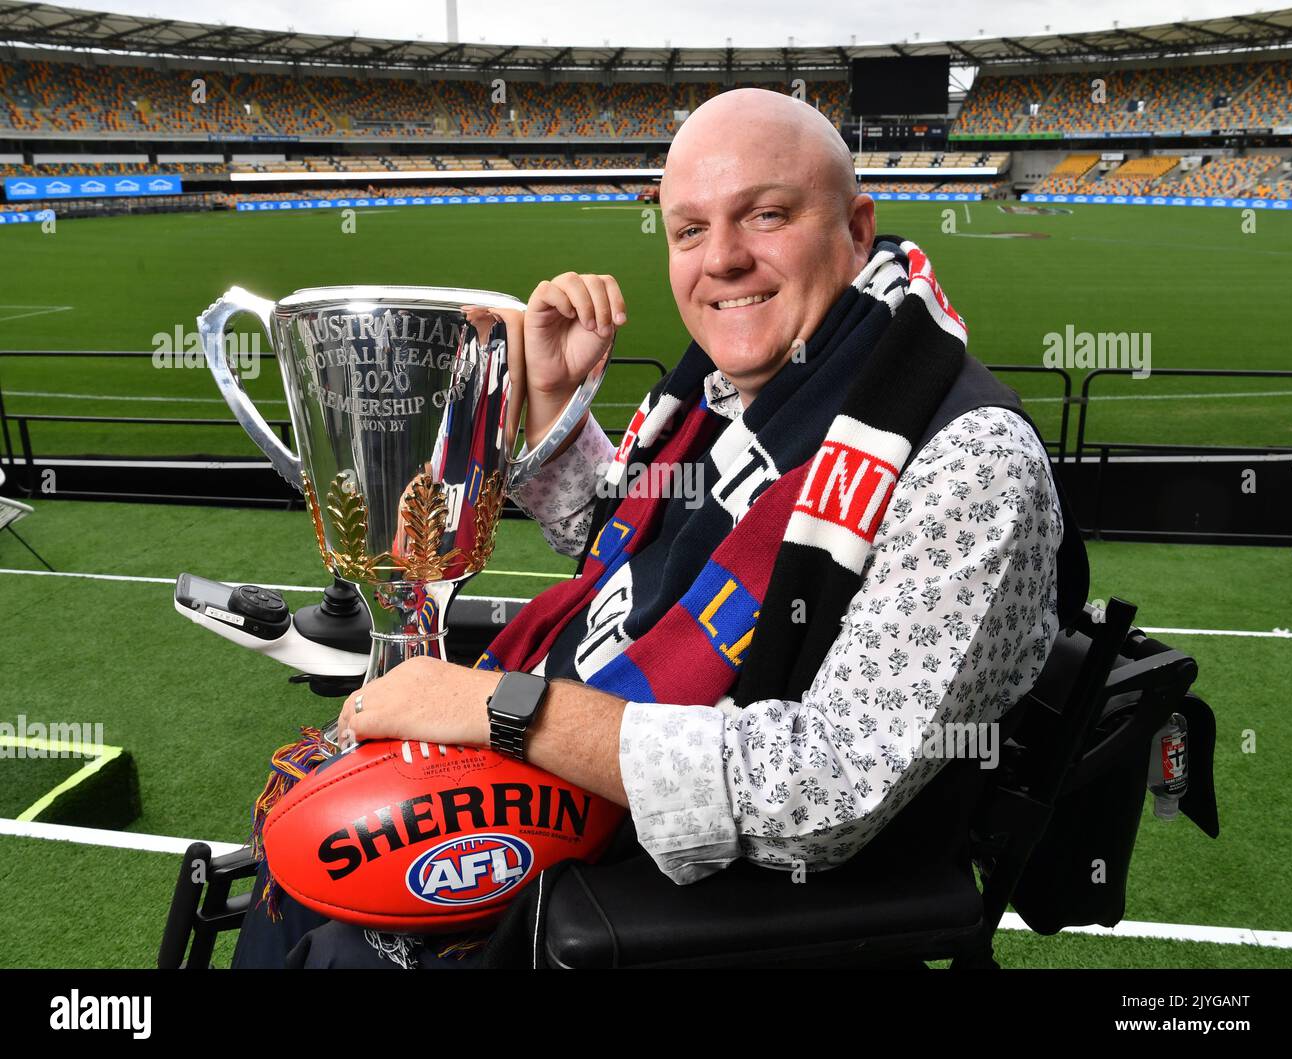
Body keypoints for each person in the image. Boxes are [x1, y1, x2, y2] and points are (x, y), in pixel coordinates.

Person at [232, 86, 1084, 969]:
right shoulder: (735, 393)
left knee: (332, 942)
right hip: (609, 839)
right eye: (688, 230)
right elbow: (640, 573)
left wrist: (499, 708)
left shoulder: (967, 458)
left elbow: (827, 790)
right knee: (294, 864)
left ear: (857, 228)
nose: (722, 259)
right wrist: (557, 407)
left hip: (705, 917)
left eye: (765, 214)